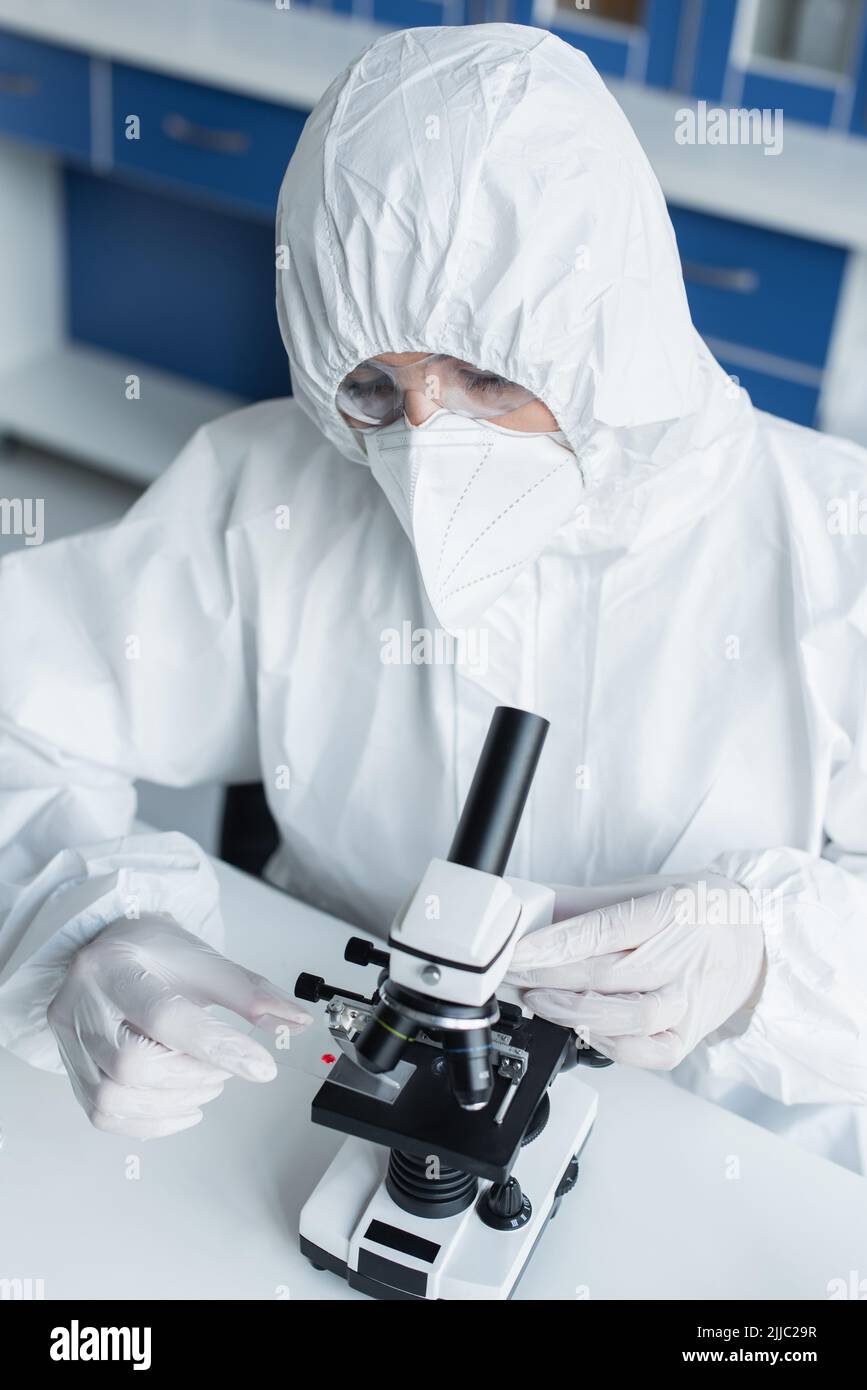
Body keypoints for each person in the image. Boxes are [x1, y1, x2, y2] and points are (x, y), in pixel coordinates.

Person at [1, 24, 866, 1167]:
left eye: (490, 377)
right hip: (341, 1091)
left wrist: (768, 959)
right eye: (372, 383)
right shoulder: (278, 489)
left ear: (610, 331)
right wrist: (88, 919)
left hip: (729, 1153)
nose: (428, 447)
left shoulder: (832, 547)